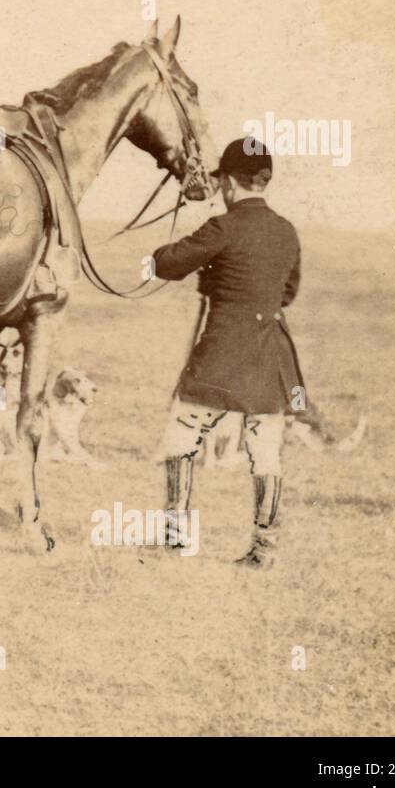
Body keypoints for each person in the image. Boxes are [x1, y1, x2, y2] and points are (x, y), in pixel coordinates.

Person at [152, 137, 304, 568]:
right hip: (271, 355)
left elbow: (166, 264)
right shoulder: (287, 230)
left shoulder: (222, 226)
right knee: (266, 450)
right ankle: (264, 548)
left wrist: (199, 247)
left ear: (229, 184)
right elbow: (287, 293)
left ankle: (176, 539)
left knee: (181, 438)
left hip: (221, 350)